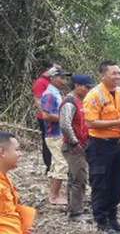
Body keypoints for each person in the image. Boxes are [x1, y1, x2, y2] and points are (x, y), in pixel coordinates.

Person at [83, 60, 120, 234]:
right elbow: (91, 122)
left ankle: (113, 219)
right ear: (103, 75)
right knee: (101, 183)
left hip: (117, 144)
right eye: (114, 73)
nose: (118, 77)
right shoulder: (94, 95)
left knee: (117, 184)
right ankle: (101, 221)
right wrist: (118, 122)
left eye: (119, 73)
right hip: (99, 146)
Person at [59, 74, 94, 221]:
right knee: (79, 179)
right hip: (74, 147)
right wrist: (75, 142)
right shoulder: (69, 102)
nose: (88, 90)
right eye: (86, 87)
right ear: (77, 85)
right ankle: (76, 213)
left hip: (79, 145)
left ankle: (73, 207)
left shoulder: (79, 101)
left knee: (74, 177)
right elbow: (65, 124)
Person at [39, 66, 72, 205]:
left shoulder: (56, 93)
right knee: (62, 164)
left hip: (57, 133)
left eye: (65, 78)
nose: (64, 80)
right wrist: (65, 119)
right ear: (52, 79)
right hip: (54, 134)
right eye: (61, 77)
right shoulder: (50, 94)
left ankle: (54, 194)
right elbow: (46, 115)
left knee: (56, 163)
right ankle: (54, 196)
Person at [32, 64, 58, 174]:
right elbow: (37, 100)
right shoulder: (41, 82)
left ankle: (55, 165)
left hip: (54, 117)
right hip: (46, 118)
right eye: (56, 69)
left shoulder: (52, 82)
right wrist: (46, 114)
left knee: (55, 140)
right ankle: (49, 166)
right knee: (47, 141)